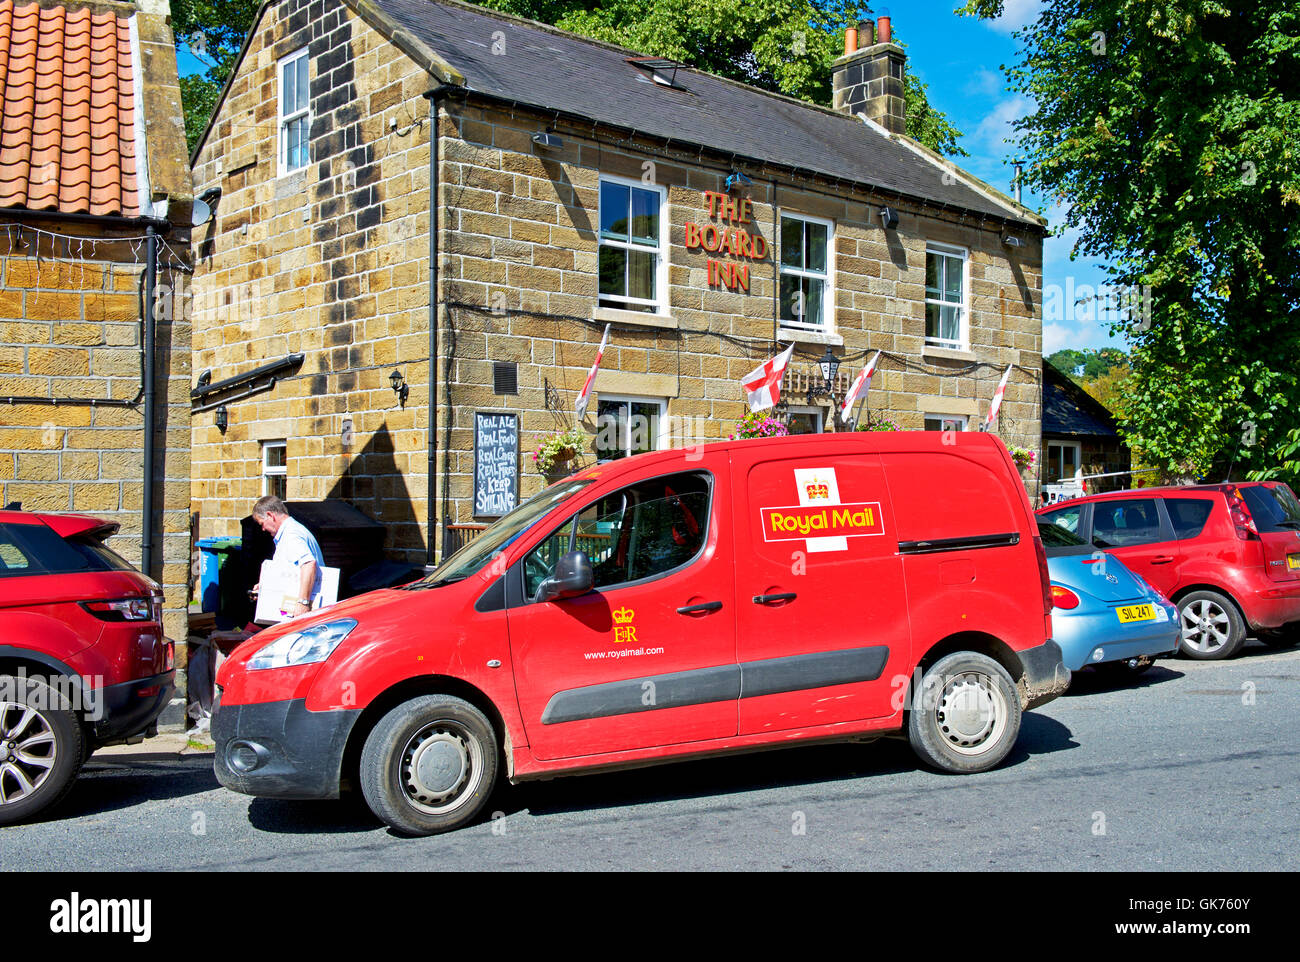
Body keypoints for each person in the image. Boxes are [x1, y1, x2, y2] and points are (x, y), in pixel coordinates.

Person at [251, 495, 324, 618]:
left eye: (262, 523)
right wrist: (266, 586)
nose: (263, 529)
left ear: (270, 515)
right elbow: (290, 573)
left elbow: (308, 563)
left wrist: (303, 602)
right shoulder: (290, 532)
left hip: (302, 611)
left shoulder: (291, 534)